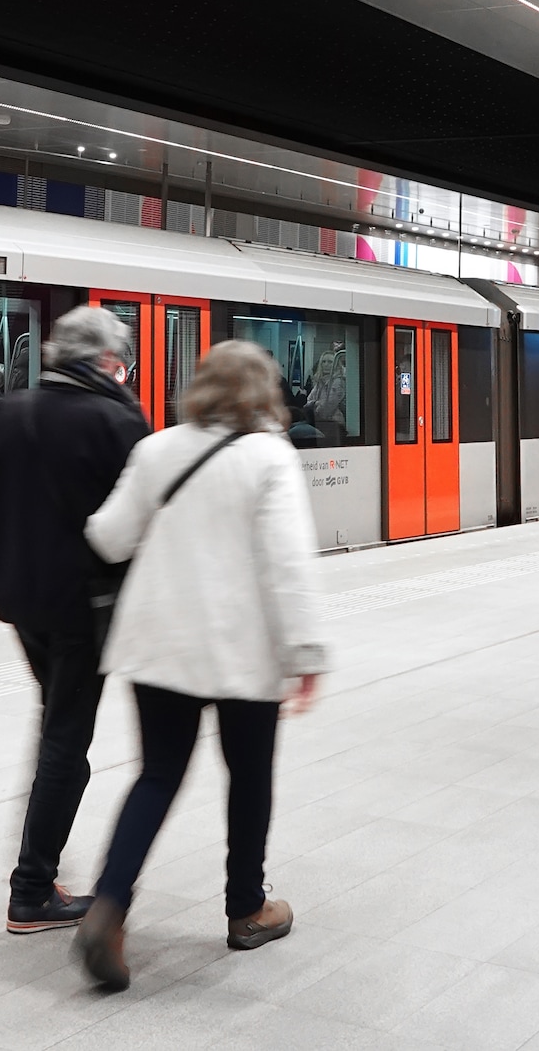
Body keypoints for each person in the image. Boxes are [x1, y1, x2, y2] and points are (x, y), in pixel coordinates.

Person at [74, 340, 327, 989]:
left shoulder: (157, 447)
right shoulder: (270, 455)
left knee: (157, 774)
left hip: (160, 643)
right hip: (242, 650)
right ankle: (247, 909)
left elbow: (108, 536)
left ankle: (108, 906)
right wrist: (306, 654)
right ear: (264, 391)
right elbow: (288, 565)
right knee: (249, 777)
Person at [0, 305, 148, 935]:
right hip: (84, 606)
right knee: (66, 740)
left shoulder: (8, 410)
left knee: (60, 728)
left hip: (20, 599)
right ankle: (32, 890)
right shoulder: (118, 419)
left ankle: (41, 869)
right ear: (106, 360)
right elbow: (136, 521)